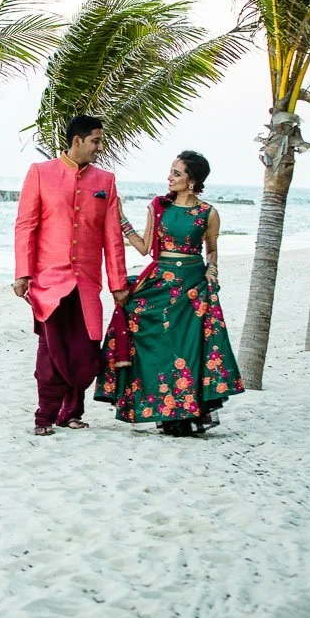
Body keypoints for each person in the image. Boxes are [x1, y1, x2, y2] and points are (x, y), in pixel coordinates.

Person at [95, 150, 245, 436]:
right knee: (152, 341)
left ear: (192, 181)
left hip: (192, 290)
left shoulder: (208, 213)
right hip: (161, 285)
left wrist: (212, 271)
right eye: (171, 171)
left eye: (177, 173)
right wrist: (121, 219)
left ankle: (185, 415)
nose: (169, 177)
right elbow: (144, 247)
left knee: (187, 352)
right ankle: (159, 409)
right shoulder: (158, 207)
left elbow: (212, 250)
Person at [13, 115, 129, 436]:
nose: (99, 147)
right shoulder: (41, 173)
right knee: (51, 352)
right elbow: (26, 226)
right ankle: (45, 416)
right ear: (77, 141)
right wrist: (23, 273)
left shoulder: (105, 182)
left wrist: (118, 283)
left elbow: (112, 238)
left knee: (86, 352)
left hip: (87, 284)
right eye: (96, 141)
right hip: (48, 283)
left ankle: (71, 412)